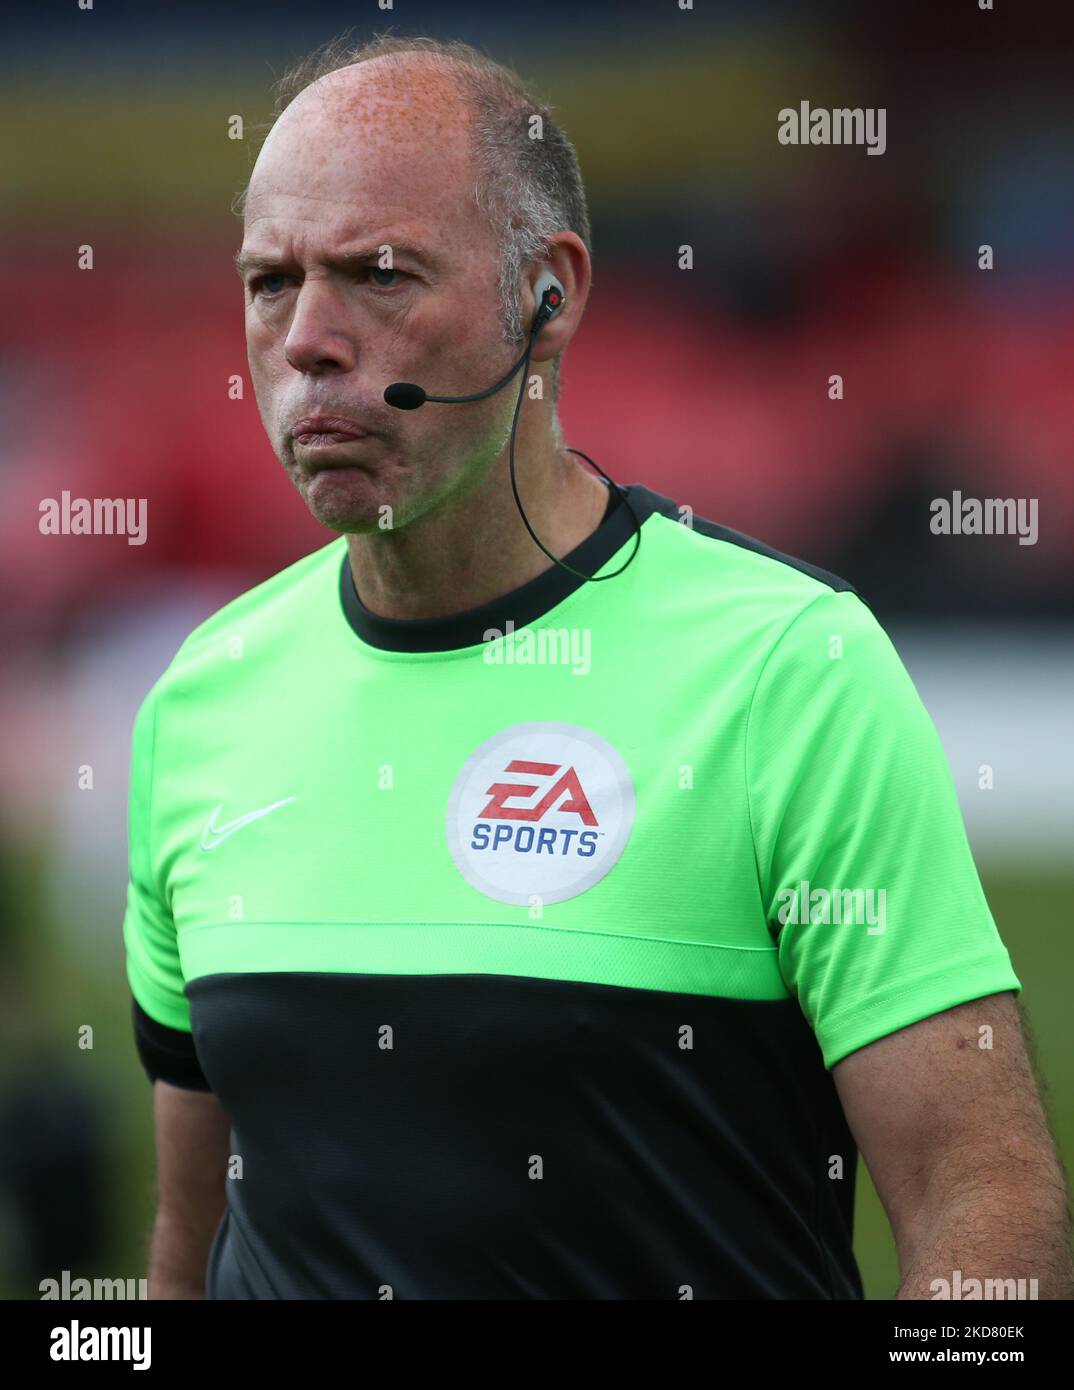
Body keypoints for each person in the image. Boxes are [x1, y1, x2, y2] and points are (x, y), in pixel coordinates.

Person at [122, 34, 1072, 1300]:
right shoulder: (201, 700)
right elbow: (186, 1252)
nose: (307, 340)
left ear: (547, 298)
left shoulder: (786, 669)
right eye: (269, 282)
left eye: (379, 274)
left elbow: (982, 1204)